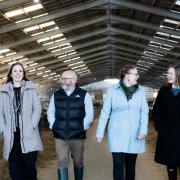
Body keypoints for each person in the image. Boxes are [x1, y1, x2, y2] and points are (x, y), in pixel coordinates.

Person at [96, 65, 149, 180]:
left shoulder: (140, 91)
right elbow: (105, 112)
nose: (138, 76)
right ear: (127, 75)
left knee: (131, 167)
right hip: (117, 133)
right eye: (135, 74)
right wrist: (100, 132)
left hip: (135, 133)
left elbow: (144, 111)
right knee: (118, 165)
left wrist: (143, 129)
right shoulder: (112, 91)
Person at [47, 70, 94, 180]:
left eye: (68, 78)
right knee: (61, 163)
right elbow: (50, 112)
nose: (64, 80)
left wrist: (82, 127)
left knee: (78, 162)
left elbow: (90, 114)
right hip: (60, 136)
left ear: (74, 80)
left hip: (77, 135)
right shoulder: (56, 95)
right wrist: (54, 126)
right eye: (63, 78)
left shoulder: (84, 94)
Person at [0, 62, 43, 180]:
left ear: (23, 73)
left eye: (20, 71)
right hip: (12, 135)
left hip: (29, 134)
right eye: (15, 71)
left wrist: (33, 125)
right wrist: (3, 130)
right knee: (14, 169)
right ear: (11, 74)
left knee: (29, 166)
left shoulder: (31, 89)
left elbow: (37, 108)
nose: (18, 73)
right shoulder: (3, 92)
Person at [152, 64, 180, 180]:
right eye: (167, 73)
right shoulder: (163, 91)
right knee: (171, 164)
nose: (167, 75)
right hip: (168, 135)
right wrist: (160, 128)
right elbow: (156, 111)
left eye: (171, 73)